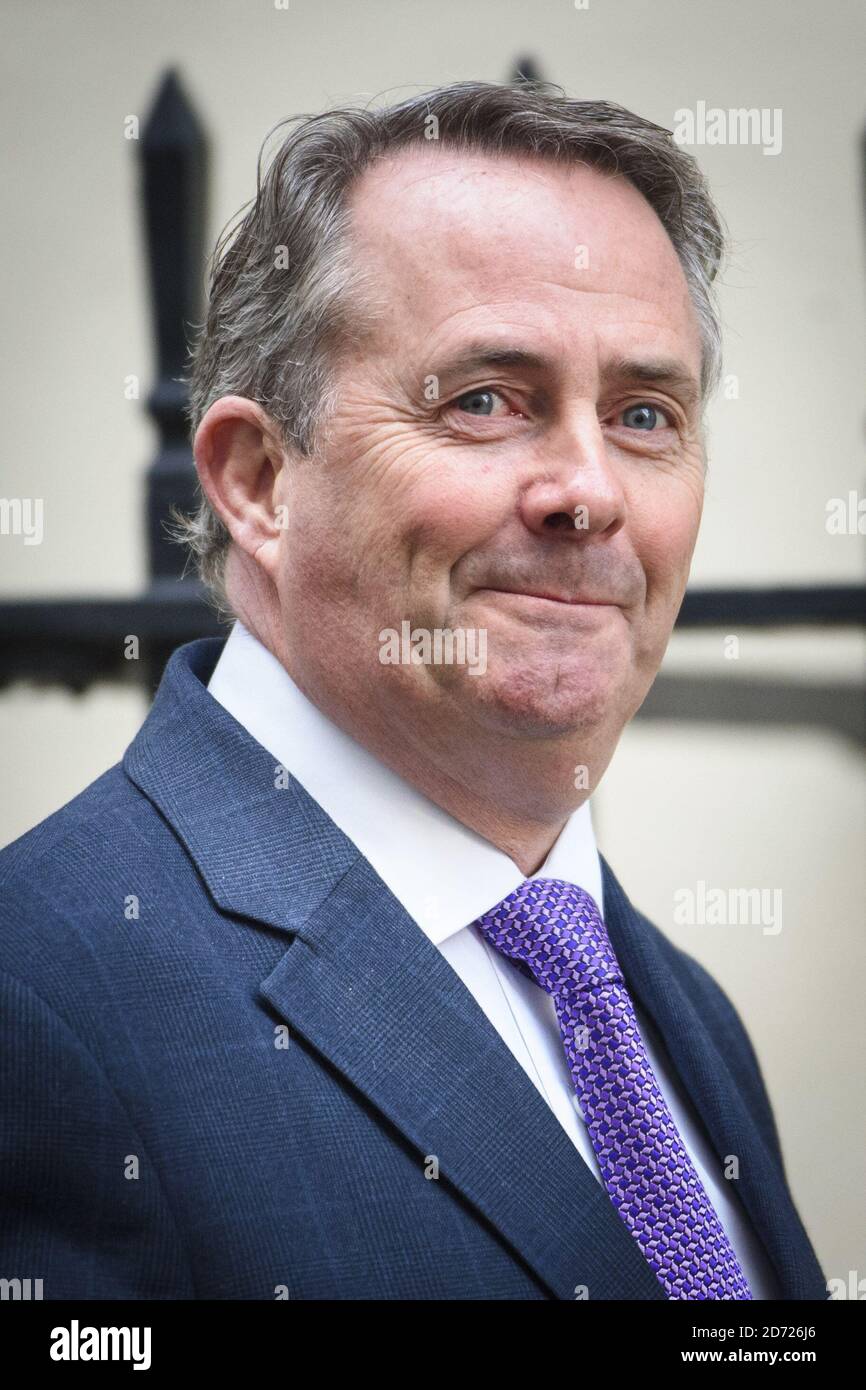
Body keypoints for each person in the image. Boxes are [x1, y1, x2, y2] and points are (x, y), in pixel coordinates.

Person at [0, 80, 827, 1300]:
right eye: (485, 400)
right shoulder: (42, 996)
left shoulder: (676, 1009)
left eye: (644, 414)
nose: (586, 490)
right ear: (258, 478)